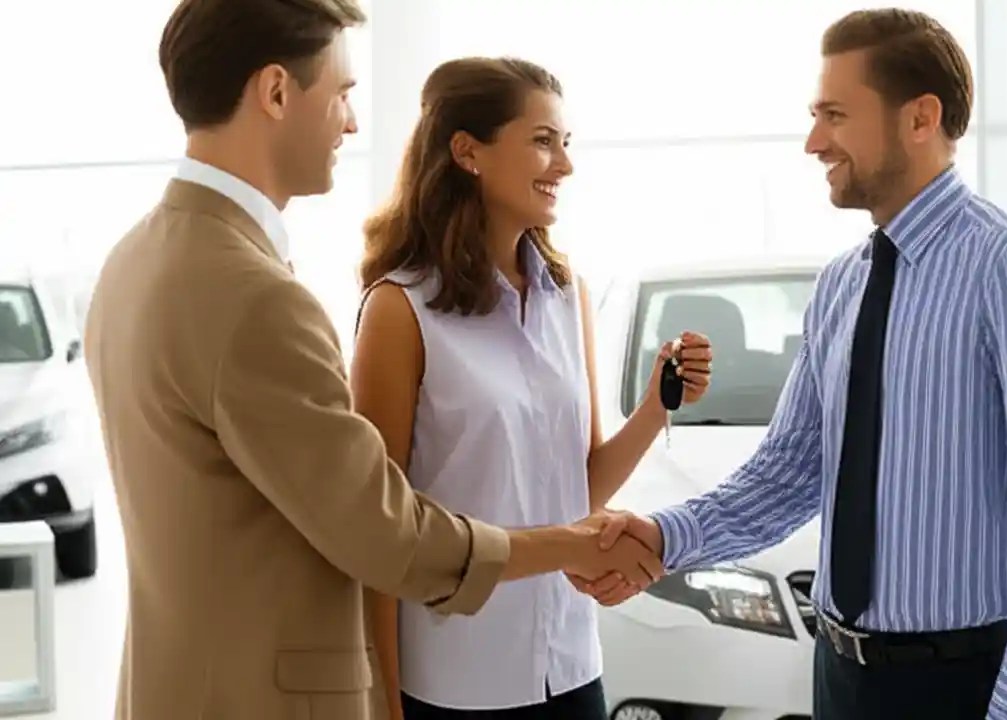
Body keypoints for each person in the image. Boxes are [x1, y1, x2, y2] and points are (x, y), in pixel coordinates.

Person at [82, 3, 660, 719]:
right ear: (275, 92)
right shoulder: (255, 295)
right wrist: (569, 546)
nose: (352, 124)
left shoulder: (134, 261)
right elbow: (387, 535)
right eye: (343, 93)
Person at [597, 8, 1007, 720]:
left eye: (834, 115)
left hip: (964, 689)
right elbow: (789, 471)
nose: (813, 141)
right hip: (839, 677)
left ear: (920, 118)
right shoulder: (842, 283)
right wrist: (663, 536)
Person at [351, 56, 714, 720]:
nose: (564, 165)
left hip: (571, 665)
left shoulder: (565, 295)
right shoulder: (399, 310)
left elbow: (580, 488)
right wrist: (382, 701)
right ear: (468, 152)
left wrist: (657, 407)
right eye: (543, 141)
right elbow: (377, 535)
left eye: (565, 143)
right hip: (455, 680)